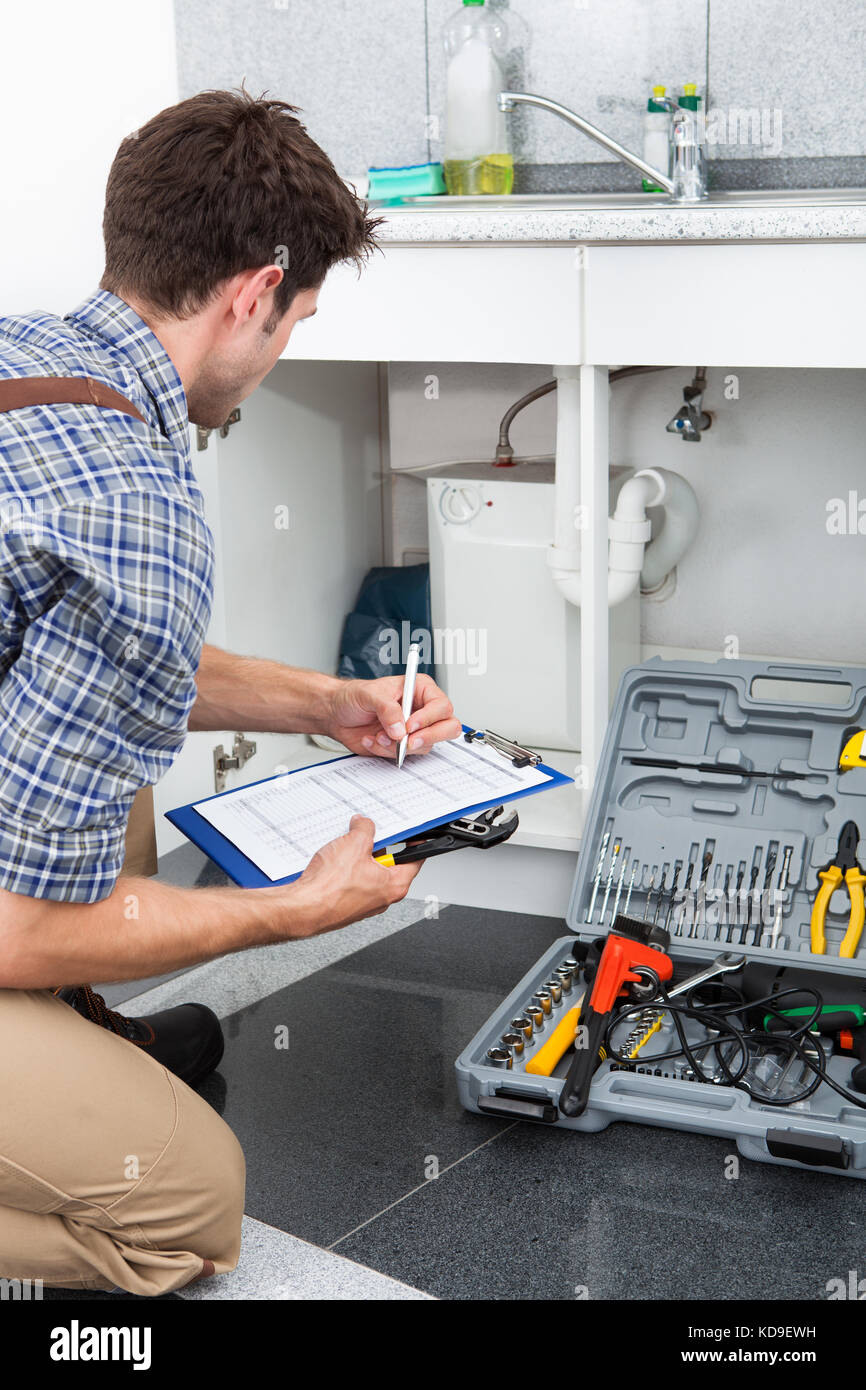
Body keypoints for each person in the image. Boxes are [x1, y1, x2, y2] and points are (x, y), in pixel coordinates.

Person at [0, 90, 459, 1296]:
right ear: (252, 294)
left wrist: (324, 701)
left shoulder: (27, 355)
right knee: (187, 1205)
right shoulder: (141, 514)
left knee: (115, 797)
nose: (285, 346)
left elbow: (89, 652)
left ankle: (59, 1046)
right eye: (296, 318)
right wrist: (288, 910)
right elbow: (16, 924)